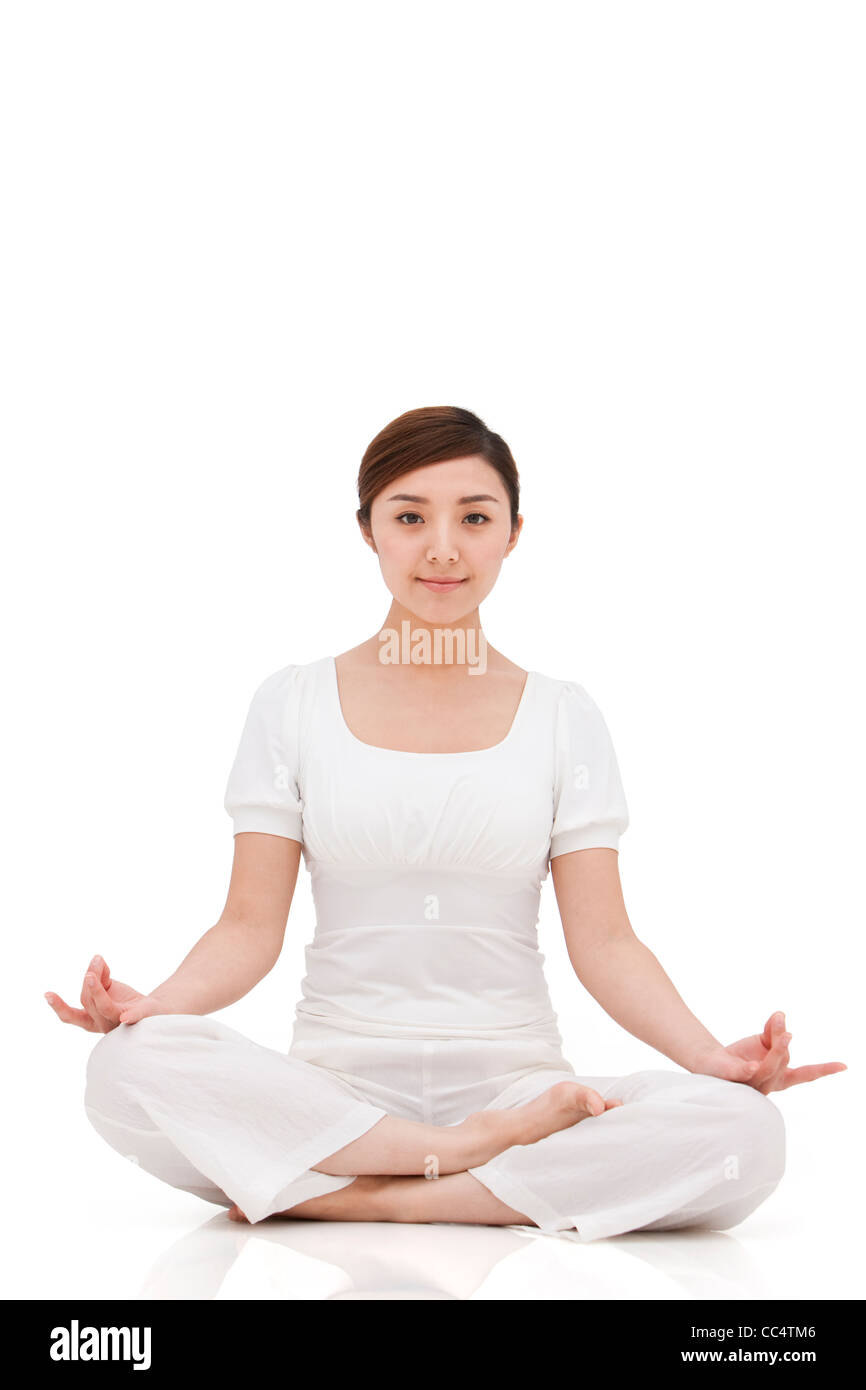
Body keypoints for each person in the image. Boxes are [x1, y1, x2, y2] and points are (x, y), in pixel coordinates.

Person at [45, 405, 846, 1242]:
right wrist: (160, 1008)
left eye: (474, 518)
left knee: (744, 1133)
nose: (442, 549)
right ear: (368, 532)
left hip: (519, 1093)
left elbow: (606, 941)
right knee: (127, 1068)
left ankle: (365, 1196)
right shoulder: (292, 703)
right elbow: (248, 924)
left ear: (513, 532)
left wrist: (712, 1061)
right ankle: (458, 1160)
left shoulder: (563, 716)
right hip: (335, 1094)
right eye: (409, 517)